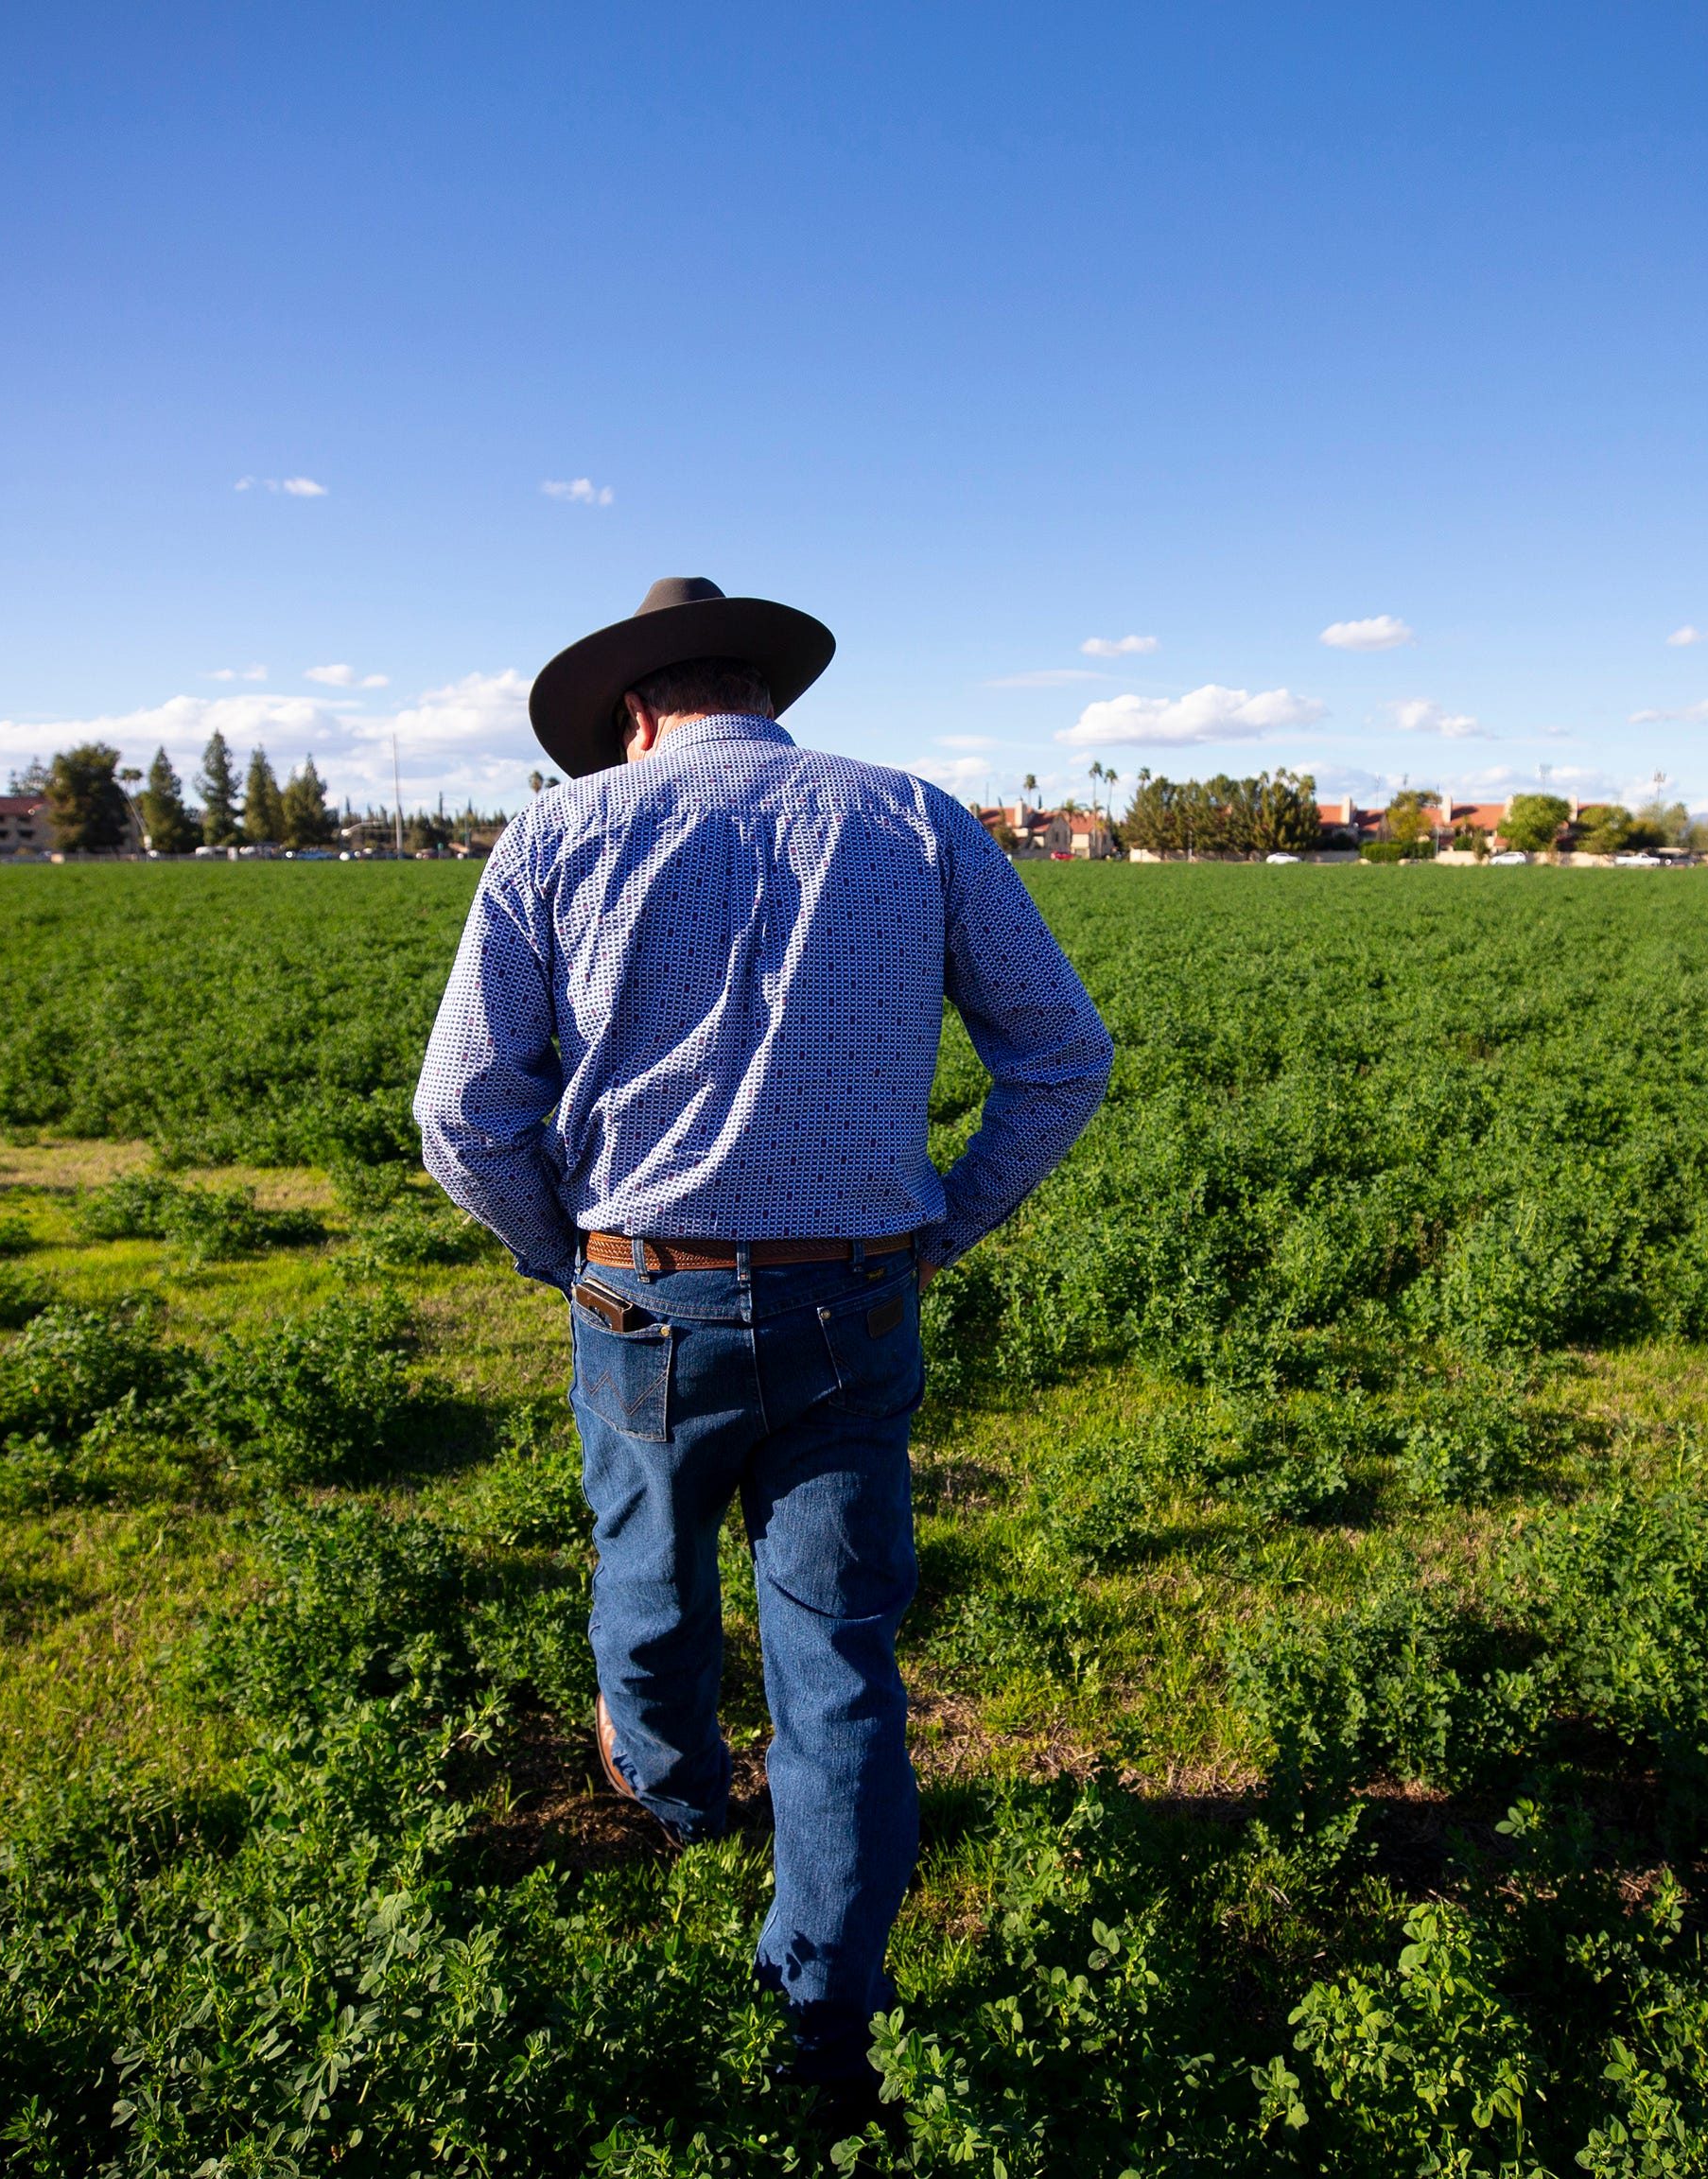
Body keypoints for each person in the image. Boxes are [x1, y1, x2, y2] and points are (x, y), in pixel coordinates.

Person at [412, 576, 1114, 2120]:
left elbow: (460, 1113)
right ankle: (823, 2022)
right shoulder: (917, 818)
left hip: (642, 1290)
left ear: (635, 712)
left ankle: (676, 1798)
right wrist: (944, 1223)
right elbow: (1064, 1057)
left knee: (647, 1566)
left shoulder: (556, 833)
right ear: (765, 691)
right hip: (854, 1296)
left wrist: (561, 1253)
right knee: (840, 1654)